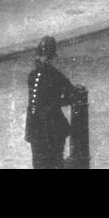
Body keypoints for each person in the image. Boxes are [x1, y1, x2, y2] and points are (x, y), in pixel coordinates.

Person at [25, 36, 76, 169]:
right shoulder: (33, 76)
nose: (39, 59)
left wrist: (54, 104)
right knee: (39, 163)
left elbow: (73, 95)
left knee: (53, 163)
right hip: (37, 129)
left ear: (49, 58)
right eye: (39, 55)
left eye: (43, 56)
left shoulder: (56, 76)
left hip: (52, 129)